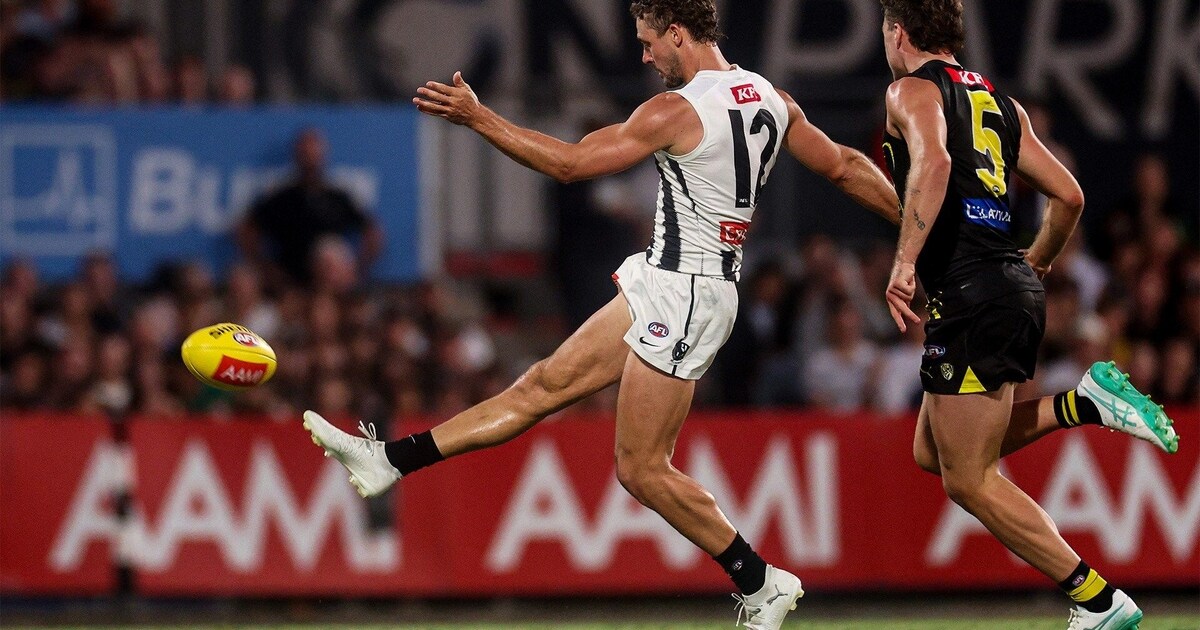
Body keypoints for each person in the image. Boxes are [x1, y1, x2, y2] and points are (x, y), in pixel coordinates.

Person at [302, 1, 900, 627]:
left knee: (641, 468)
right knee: (542, 385)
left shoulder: (674, 110)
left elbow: (569, 163)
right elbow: (844, 166)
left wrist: (480, 119)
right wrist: (919, 227)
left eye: (648, 43)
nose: (643, 56)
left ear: (677, 33)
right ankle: (389, 461)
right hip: (668, 279)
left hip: (686, 293)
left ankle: (761, 581)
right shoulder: (771, 99)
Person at [876, 2, 1180, 629]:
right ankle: (1084, 404)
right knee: (933, 451)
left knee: (967, 478)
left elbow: (933, 164)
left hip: (968, 291)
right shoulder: (1000, 102)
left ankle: (1097, 599)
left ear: (899, 32)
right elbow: (1069, 194)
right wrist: (1035, 261)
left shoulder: (908, 90)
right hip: (1006, 285)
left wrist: (904, 263)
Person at [237, 128, 383, 286]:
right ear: (296, 156)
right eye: (305, 154)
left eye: (314, 154)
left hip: (333, 283)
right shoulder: (282, 198)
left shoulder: (337, 197)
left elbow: (372, 231)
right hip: (291, 281)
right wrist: (266, 268)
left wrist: (360, 267)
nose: (310, 160)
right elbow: (245, 230)